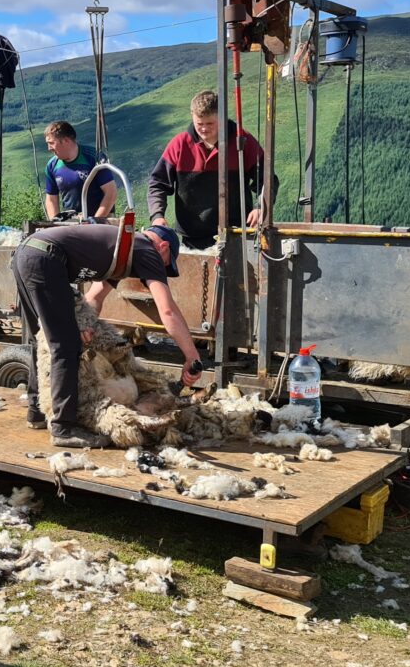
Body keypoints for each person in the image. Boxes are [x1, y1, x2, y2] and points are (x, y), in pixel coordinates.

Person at [14, 220, 201, 448]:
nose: (161, 270)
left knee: (43, 338)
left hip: (28, 253)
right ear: (163, 247)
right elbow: (167, 310)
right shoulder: (147, 250)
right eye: (165, 264)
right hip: (46, 259)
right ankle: (63, 428)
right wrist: (191, 355)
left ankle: (36, 412)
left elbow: (94, 299)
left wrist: (86, 324)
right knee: (65, 346)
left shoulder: (124, 249)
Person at [147, 90, 278, 249]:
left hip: (237, 234)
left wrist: (260, 208)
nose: (203, 129)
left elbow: (268, 179)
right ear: (192, 117)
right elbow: (158, 184)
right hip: (192, 238)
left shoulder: (242, 142)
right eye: (199, 124)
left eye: (209, 124)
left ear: (221, 118)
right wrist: (157, 216)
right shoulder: (179, 145)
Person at [42, 121, 117, 222]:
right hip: (72, 222)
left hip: (102, 221)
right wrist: (55, 224)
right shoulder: (52, 165)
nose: (49, 148)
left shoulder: (94, 157)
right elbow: (51, 199)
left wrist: (95, 220)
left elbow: (111, 192)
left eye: (51, 143)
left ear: (66, 140)